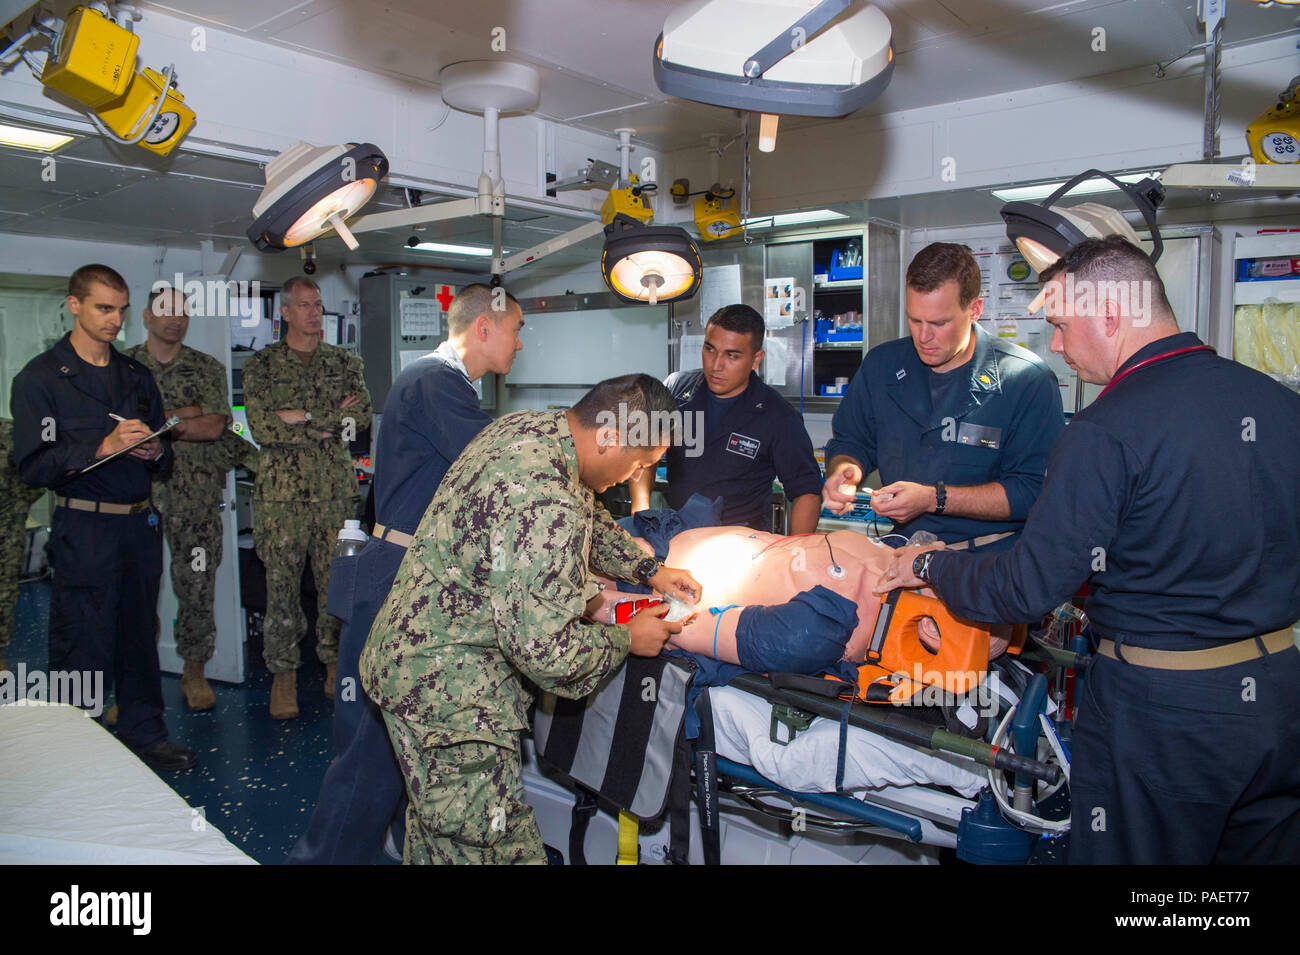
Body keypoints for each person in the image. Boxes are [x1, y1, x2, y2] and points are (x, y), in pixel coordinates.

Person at [877, 236, 1300, 864]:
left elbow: (1027, 585)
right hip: (1280, 696)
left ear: (1108, 315)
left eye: (1059, 324)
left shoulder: (1104, 430)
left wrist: (929, 563)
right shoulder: (1278, 405)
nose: (1054, 344)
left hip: (1164, 715)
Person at [360, 374, 702, 864]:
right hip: (451, 697)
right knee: (491, 847)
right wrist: (628, 639)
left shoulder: (530, 432)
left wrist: (648, 569)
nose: (634, 477)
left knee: (441, 839)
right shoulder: (546, 500)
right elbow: (549, 655)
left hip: (411, 659)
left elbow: (588, 517)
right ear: (610, 436)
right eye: (640, 462)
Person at [288, 284, 525, 864]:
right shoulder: (436, 383)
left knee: (402, 738)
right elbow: (497, 468)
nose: (520, 343)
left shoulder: (446, 387)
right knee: (369, 748)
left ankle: (400, 840)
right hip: (396, 577)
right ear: (485, 329)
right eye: (516, 329)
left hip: (408, 573)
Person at [9, 264, 197, 771]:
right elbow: (33, 465)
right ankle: (75, 747)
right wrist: (102, 447)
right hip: (84, 527)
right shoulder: (41, 379)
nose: (115, 320)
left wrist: (153, 451)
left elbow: (167, 461)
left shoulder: (135, 377)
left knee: (139, 634)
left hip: (138, 525)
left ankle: (145, 734)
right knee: (82, 639)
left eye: (120, 310)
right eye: (103, 308)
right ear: (74, 305)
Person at [822, 243, 1064, 551]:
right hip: (903, 552)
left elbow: (1033, 492)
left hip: (987, 562)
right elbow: (852, 440)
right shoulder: (882, 366)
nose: (923, 337)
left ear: (975, 309)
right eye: (914, 320)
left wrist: (933, 499)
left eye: (939, 323)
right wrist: (846, 471)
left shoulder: (1025, 381)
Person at [242, 276, 372, 719]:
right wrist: (325, 423)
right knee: (281, 588)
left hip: (335, 493)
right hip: (280, 498)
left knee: (335, 582)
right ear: (284, 312)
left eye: (318, 304)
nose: (313, 313)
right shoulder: (261, 365)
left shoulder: (344, 361)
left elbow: (359, 420)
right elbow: (261, 427)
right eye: (303, 305)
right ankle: (284, 676)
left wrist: (308, 416)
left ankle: (334, 665)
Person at [124, 286, 231, 711]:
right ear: (147, 317)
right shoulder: (124, 367)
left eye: (183, 312)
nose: (176, 319)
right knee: (136, 591)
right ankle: (135, 680)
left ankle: (195, 673)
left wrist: (158, 424)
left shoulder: (206, 368)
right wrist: (185, 415)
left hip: (196, 501)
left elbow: (215, 426)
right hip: (136, 499)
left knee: (198, 586)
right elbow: (114, 429)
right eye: (166, 311)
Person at [630, 304, 823, 533]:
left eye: (732, 356)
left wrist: (794, 554)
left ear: (756, 359)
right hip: (679, 534)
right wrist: (640, 509)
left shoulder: (779, 416)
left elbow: (807, 494)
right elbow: (643, 452)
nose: (716, 365)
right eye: (710, 350)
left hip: (742, 546)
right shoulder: (676, 389)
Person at [0, 418, 45, 674]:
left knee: (3, 594)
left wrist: (15, 509)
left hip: (5, 530)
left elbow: (35, 475)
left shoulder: (9, 433)